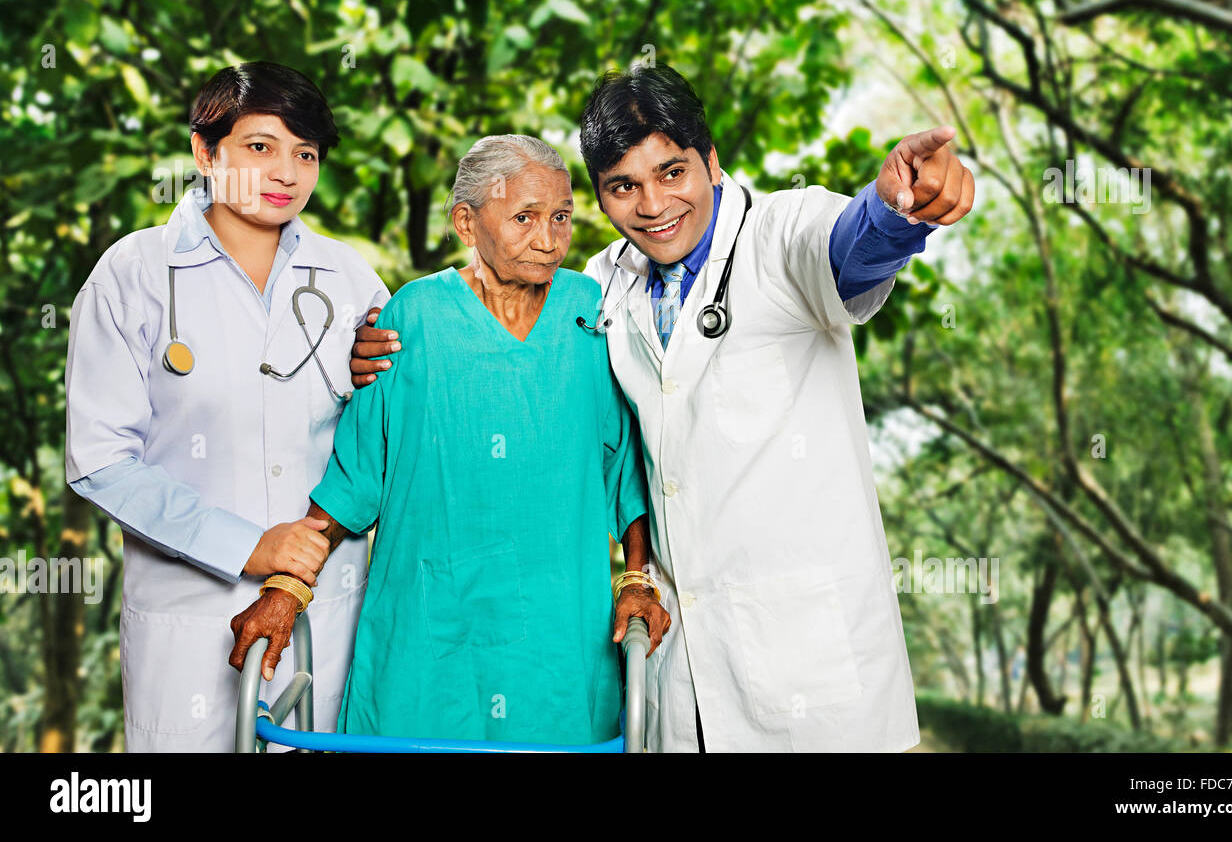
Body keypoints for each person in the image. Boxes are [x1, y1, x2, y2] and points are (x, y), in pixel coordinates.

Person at [352, 65, 976, 751]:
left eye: (672, 173)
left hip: (806, 664)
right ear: (600, 196)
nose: (652, 205)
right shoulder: (598, 286)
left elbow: (845, 246)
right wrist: (387, 351)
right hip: (676, 665)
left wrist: (896, 211)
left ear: (711, 162)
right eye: (623, 186)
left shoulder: (777, 236)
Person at [229, 135, 671, 746]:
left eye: (562, 217)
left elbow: (627, 470)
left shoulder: (592, 313)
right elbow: (357, 474)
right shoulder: (412, 316)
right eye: (524, 218)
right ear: (467, 222)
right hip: (429, 631)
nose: (549, 239)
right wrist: (287, 588)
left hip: (558, 638)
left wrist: (639, 579)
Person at [65, 61, 389, 752]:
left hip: (326, 611)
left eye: (306, 154)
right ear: (205, 152)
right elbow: (100, 460)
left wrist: (377, 374)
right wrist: (247, 546)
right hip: (190, 619)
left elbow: (387, 431)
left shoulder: (349, 277)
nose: (287, 172)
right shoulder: (133, 275)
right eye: (261, 147)